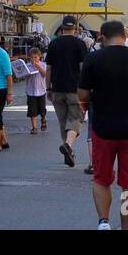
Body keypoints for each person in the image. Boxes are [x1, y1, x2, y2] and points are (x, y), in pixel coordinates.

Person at [77, 19, 128, 230]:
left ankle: (104, 222)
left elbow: (83, 94)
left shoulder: (93, 58)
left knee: (102, 178)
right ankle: (127, 228)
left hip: (103, 128)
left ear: (103, 38)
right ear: (125, 36)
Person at [45, 16, 87, 167]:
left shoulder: (54, 44)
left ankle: (67, 152)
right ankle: (68, 145)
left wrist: (48, 87)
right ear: (75, 29)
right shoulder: (80, 44)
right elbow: (83, 68)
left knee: (63, 122)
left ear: (61, 28)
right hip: (75, 89)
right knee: (76, 118)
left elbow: (48, 68)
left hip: (57, 89)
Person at [25, 47, 48, 133]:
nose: (34, 59)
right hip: (31, 91)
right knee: (32, 109)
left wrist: (39, 67)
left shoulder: (43, 65)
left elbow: (45, 74)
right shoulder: (27, 66)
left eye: (36, 57)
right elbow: (23, 75)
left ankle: (43, 119)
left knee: (42, 109)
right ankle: (34, 127)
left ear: (40, 57)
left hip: (41, 90)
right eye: (32, 57)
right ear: (29, 58)